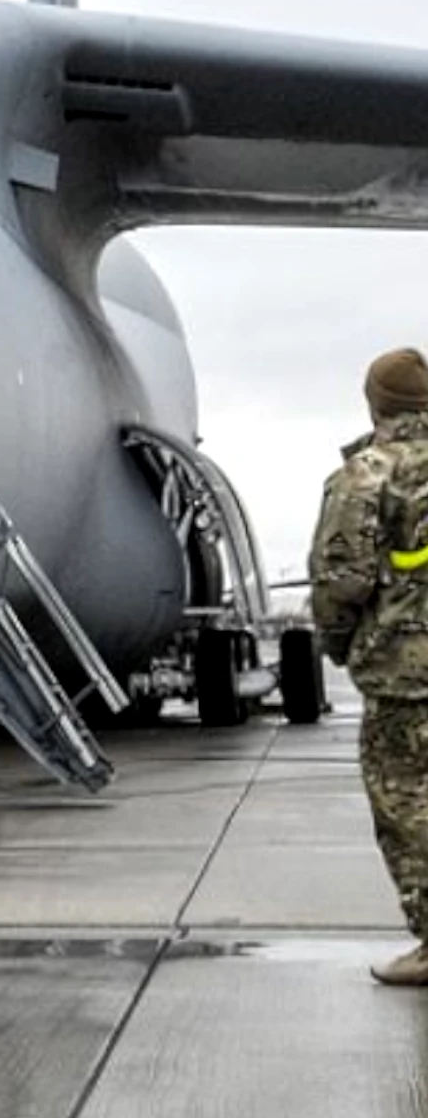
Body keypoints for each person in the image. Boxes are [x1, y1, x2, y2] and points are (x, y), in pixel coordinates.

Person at [309, 346, 428, 986]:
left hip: (405, 679)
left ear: (375, 403)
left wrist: (341, 645)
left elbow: (339, 583)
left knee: (408, 807)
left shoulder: (367, 475)